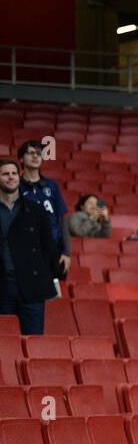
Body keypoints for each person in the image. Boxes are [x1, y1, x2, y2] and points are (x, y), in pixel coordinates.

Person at [0, 158, 61, 335]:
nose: (11, 177)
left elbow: (49, 247)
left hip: (32, 286)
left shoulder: (36, 210)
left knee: (34, 340)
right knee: (4, 343)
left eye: (13, 173)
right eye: (5, 174)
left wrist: (49, 277)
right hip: (3, 285)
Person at [16, 139, 70, 280]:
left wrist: (66, 252)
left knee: (53, 297)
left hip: (53, 251)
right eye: (31, 153)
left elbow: (61, 220)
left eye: (39, 154)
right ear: (21, 158)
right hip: (27, 251)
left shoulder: (52, 186)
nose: (35, 156)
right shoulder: (15, 188)